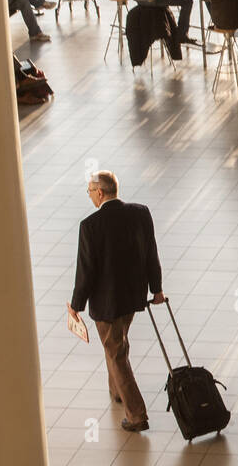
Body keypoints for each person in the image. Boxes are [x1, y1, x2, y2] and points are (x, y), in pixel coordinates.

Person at [67, 171, 166, 433]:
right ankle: (117, 391)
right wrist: (156, 291)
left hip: (107, 305)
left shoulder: (90, 226)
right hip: (132, 298)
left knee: (116, 353)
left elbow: (85, 271)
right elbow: (151, 255)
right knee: (117, 344)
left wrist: (76, 305)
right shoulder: (140, 213)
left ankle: (136, 415)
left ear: (100, 193)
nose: (89, 194)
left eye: (90, 190)